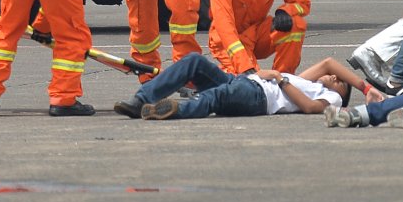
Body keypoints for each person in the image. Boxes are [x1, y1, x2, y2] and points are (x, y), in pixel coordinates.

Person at [114, 54, 383, 121]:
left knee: (216, 97)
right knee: (194, 61)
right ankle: (142, 100)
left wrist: (280, 78)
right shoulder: (308, 82)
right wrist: (363, 86)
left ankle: (173, 111)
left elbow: (310, 108)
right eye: (336, 78)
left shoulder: (330, 99)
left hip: (259, 97)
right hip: (245, 81)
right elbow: (328, 63)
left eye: (339, 83)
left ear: (339, 93)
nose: (333, 78)